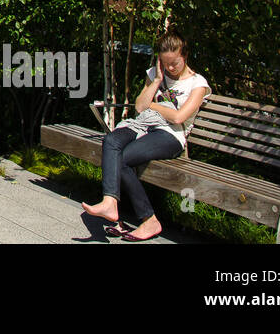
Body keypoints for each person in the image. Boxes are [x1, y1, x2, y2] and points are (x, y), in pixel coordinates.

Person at [82, 29, 210, 241]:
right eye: (165, 63)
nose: (170, 68)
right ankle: (110, 203)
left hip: (170, 135)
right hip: (143, 126)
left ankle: (148, 220)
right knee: (112, 141)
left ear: (185, 56)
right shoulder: (154, 74)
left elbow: (179, 118)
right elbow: (141, 106)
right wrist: (158, 81)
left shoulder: (197, 84)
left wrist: (154, 106)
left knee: (122, 157)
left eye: (174, 63)